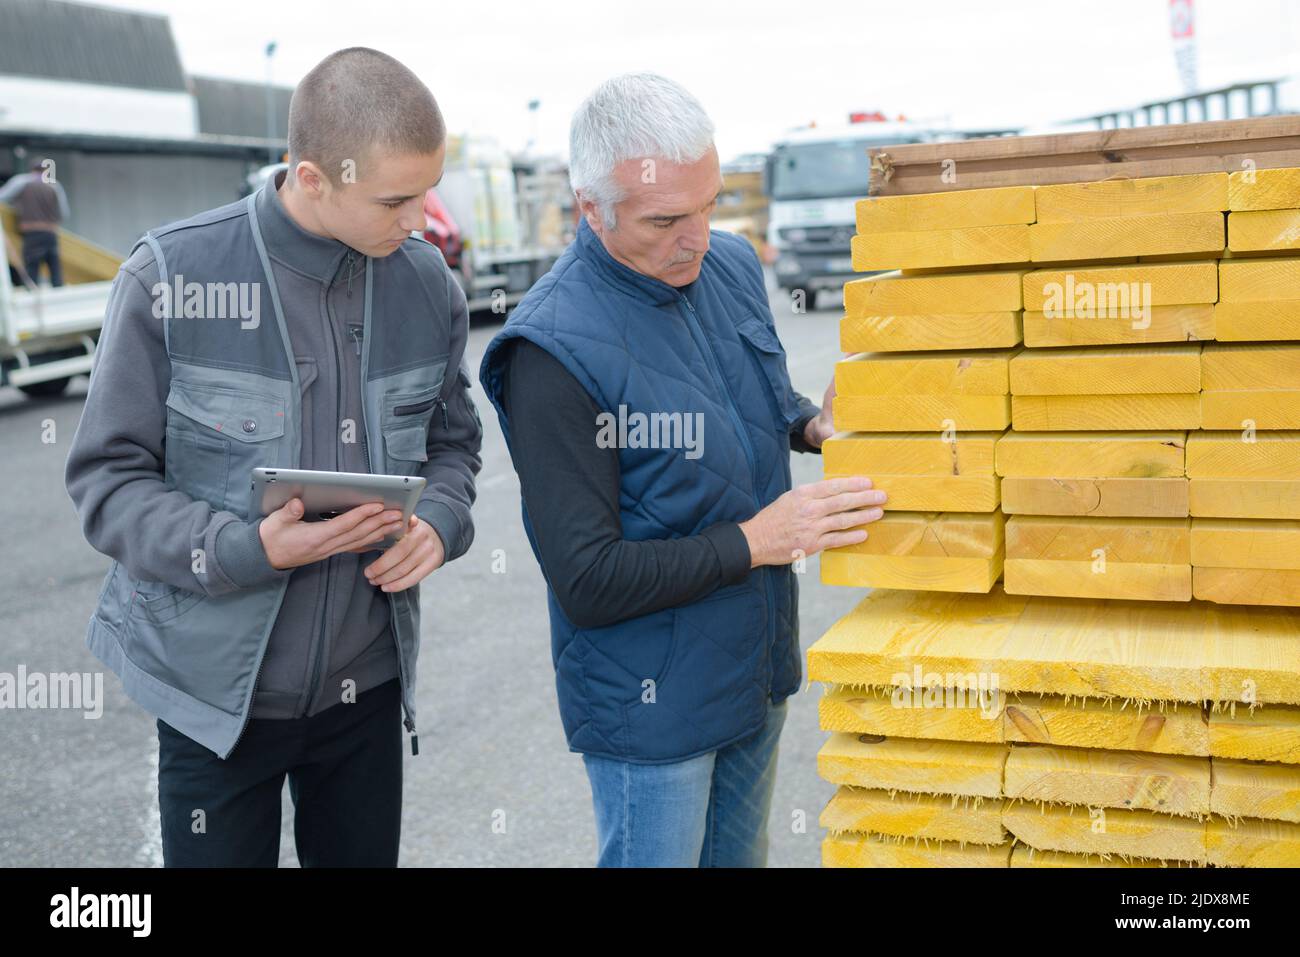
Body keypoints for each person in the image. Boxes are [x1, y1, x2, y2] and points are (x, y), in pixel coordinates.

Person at [64, 47, 482, 867]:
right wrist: (242, 550)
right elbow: (107, 482)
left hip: (365, 693)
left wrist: (440, 519)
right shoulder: (171, 274)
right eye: (396, 199)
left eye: (427, 190)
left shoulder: (427, 283)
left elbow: (454, 443)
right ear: (312, 176)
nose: (419, 219)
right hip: (213, 700)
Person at [479, 73, 886, 867]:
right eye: (665, 219)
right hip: (651, 711)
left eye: (709, 205)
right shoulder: (549, 351)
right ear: (590, 208)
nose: (695, 237)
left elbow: (755, 396)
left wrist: (812, 424)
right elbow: (588, 578)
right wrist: (756, 543)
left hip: (756, 667)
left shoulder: (730, 265)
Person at [0, 159, 71, 287]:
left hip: (32, 233)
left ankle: (32, 298)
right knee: (55, 270)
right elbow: (64, 213)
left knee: (32, 270)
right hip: (51, 233)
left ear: (32, 169)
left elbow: (3, 196)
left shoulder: (22, 182)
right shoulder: (54, 186)